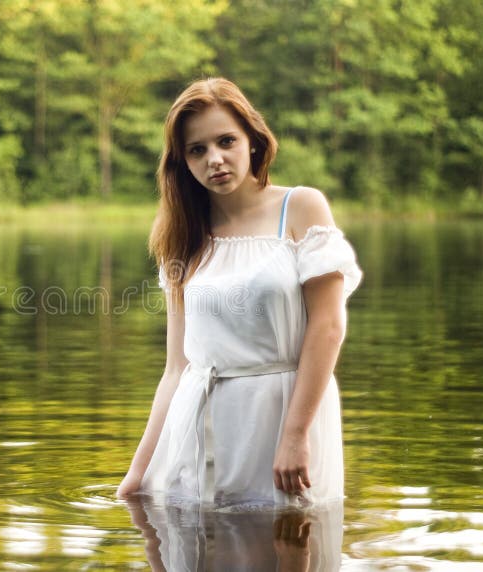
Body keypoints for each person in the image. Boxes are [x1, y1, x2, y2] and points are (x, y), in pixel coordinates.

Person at [116, 78, 363, 509]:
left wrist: (295, 435)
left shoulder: (301, 207)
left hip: (285, 414)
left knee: (291, 533)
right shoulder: (181, 236)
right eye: (197, 149)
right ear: (183, 163)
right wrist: (137, 474)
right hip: (202, 425)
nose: (215, 159)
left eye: (226, 141)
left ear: (253, 140)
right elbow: (177, 369)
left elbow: (328, 327)